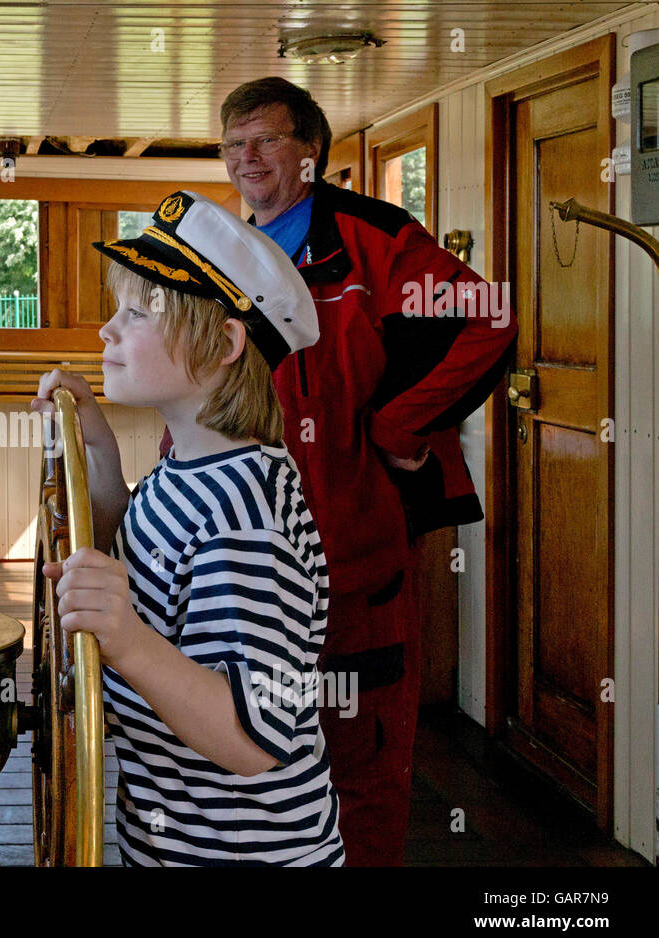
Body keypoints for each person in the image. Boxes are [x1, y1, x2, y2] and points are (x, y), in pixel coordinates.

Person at [167, 76, 520, 865]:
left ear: (311, 150)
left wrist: (401, 423)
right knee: (248, 745)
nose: (246, 158)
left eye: (265, 139)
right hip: (245, 547)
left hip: (355, 543)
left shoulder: (373, 237)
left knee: (359, 753)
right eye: (232, 144)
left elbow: (487, 317)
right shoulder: (221, 251)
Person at [32, 190, 341, 865]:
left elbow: (253, 740)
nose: (109, 330)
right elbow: (145, 567)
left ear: (226, 343)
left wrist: (126, 641)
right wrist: (102, 457)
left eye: (139, 313)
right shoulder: (191, 468)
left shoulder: (247, 517)